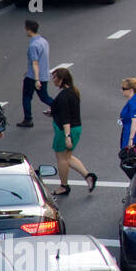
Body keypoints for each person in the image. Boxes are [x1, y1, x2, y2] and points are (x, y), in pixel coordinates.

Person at [50, 68, 95, 196]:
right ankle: (88, 176)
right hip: (75, 128)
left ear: (61, 79)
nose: (53, 80)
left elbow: (65, 117)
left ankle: (64, 186)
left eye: (55, 78)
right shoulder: (73, 91)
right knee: (68, 157)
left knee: (62, 158)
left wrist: (67, 136)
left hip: (65, 130)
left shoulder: (64, 95)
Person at [17, 19, 53, 127]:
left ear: (29, 30)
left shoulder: (33, 45)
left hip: (33, 77)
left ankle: (28, 119)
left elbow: (35, 63)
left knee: (27, 97)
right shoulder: (44, 41)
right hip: (44, 74)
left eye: (26, 29)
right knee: (44, 96)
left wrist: (36, 79)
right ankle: (59, 108)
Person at [119, 77, 136, 152]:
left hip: (134, 138)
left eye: (123, 89)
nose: (121, 90)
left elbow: (135, 121)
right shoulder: (135, 101)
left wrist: (131, 139)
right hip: (132, 134)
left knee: (130, 161)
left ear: (131, 90)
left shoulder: (133, 103)